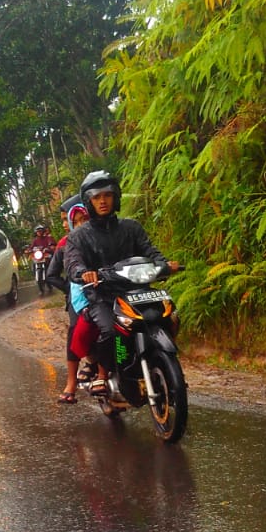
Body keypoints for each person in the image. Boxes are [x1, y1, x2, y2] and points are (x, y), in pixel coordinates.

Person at [64, 170, 171, 405]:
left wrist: (164, 264)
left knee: (166, 315)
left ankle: (160, 362)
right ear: (89, 202)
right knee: (110, 331)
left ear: (116, 197)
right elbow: (73, 263)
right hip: (101, 296)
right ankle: (105, 374)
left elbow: (149, 250)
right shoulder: (79, 237)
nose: (103, 201)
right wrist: (83, 273)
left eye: (107, 195)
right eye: (96, 197)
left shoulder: (131, 227)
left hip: (137, 290)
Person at [45, 198, 89, 403]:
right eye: (68, 220)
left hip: (108, 288)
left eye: (66, 219)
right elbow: (51, 274)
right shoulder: (65, 244)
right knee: (75, 330)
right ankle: (71, 383)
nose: (65, 224)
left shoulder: (105, 235)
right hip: (79, 295)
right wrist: (71, 289)